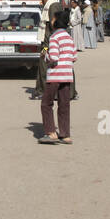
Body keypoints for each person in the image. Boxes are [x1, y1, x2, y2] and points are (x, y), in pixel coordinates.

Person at [39, 8, 76, 144]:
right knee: (64, 104)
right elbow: (74, 56)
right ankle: (65, 134)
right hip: (67, 74)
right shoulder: (69, 37)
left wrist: (44, 55)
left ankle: (51, 132)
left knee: (46, 103)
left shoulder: (52, 35)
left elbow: (52, 55)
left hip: (55, 73)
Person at [32, 0, 61, 100]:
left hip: (47, 43)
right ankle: (41, 90)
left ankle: (42, 91)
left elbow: (50, 28)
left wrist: (45, 48)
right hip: (48, 42)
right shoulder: (53, 3)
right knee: (43, 64)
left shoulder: (52, 5)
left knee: (43, 64)